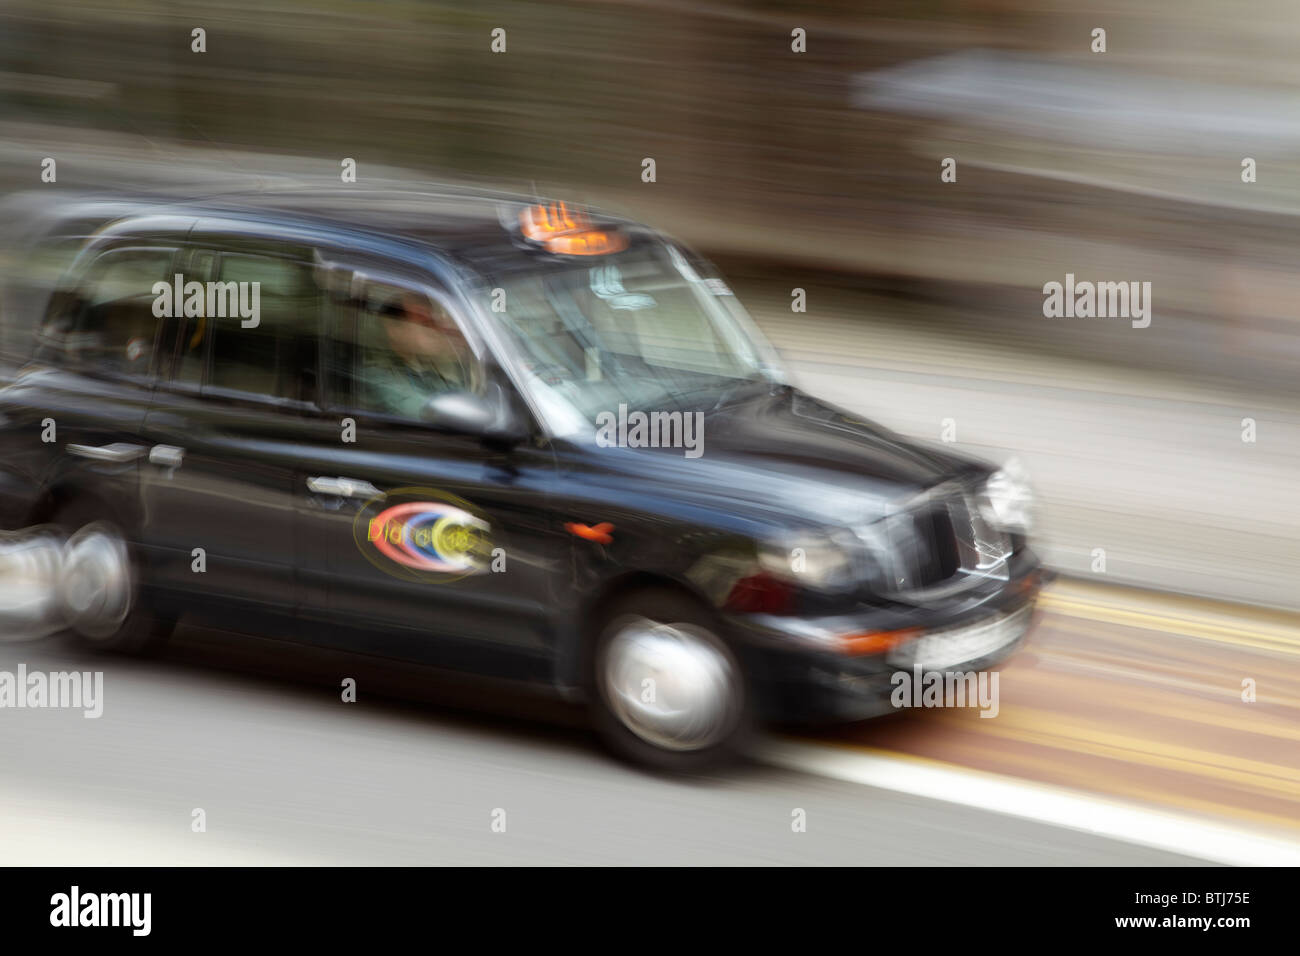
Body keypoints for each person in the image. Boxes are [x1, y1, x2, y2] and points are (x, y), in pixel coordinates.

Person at [358, 293, 470, 418]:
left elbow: (456, 394)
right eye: (425, 323)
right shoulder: (375, 373)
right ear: (395, 331)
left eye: (433, 321)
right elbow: (432, 415)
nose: (436, 329)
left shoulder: (419, 364)